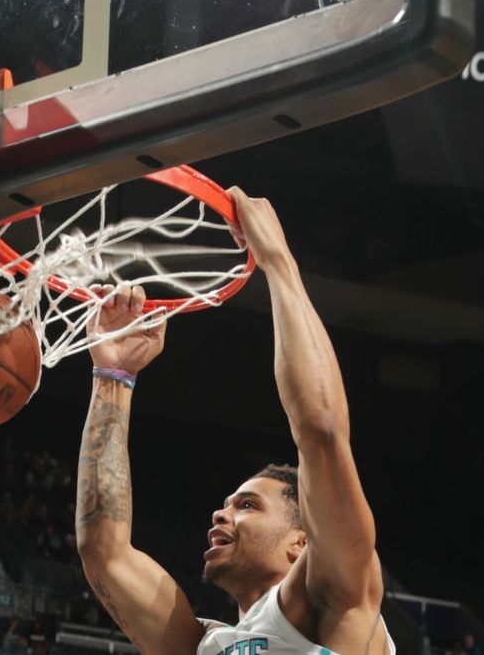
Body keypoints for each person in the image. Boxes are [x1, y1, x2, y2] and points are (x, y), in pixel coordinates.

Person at [74, 189, 392, 655]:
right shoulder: (205, 644)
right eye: (232, 504)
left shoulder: (334, 601)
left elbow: (321, 432)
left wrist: (278, 262)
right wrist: (114, 376)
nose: (221, 514)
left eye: (247, 505)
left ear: (301, 543)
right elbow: (104, 552)